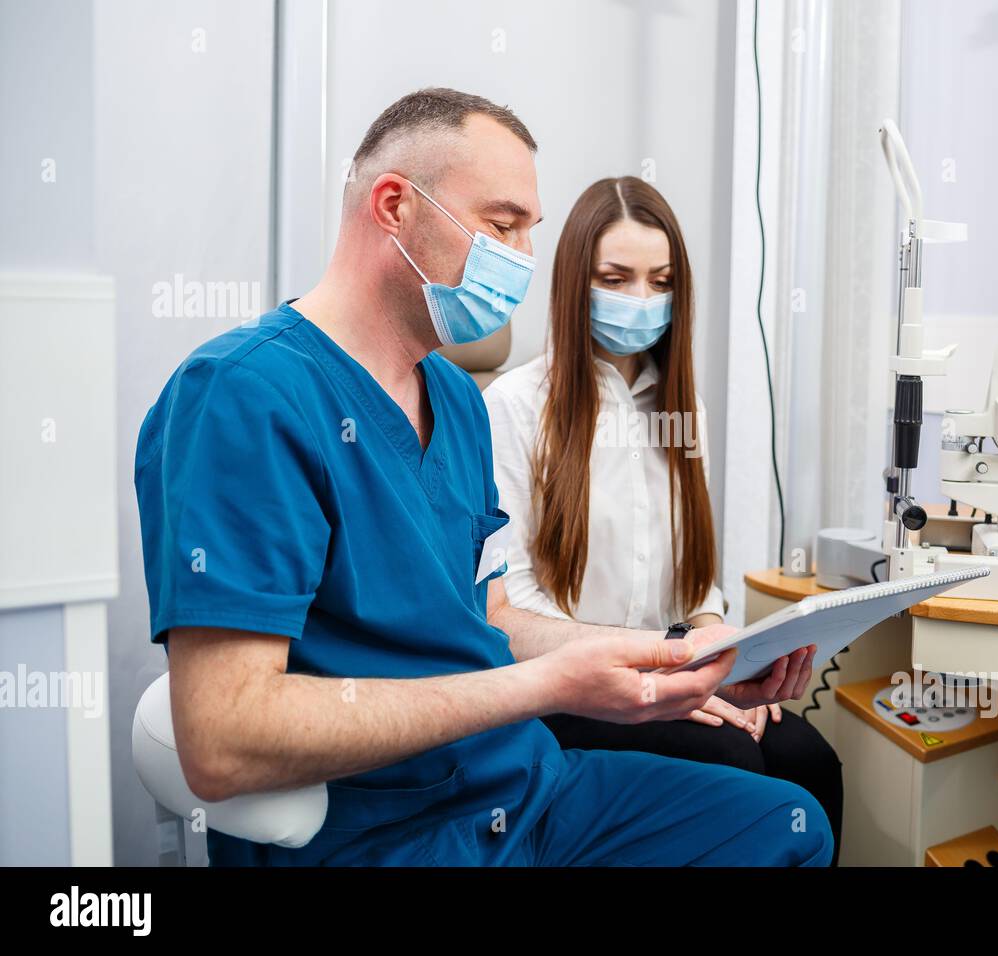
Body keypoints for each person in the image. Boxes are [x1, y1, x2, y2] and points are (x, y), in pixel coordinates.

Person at [134, 88, 832, 866]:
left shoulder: (457, 404)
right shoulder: (244, 397)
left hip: (526, 788)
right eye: (503, 227)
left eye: (530, 233)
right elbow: (223, 743)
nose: (525, 261)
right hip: (388, 832)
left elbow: (493, 614)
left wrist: (677, 664)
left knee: (789, 823)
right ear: (395, 207)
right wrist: (547, 688)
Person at [484, 177, 843, 863]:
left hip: (666, 676)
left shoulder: (682, 411)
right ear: (573, 283)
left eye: (661, 281)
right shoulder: (512, 406)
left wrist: (726, 651)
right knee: (734, 761)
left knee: (808, 757)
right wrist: (659, 675)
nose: (641, 302)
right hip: (567, 694)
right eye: (616, 279)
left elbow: (692, 592)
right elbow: (509, 602)